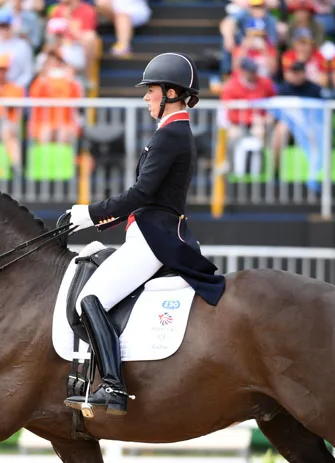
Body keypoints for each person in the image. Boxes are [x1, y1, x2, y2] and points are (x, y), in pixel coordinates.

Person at [63, 53, 226, 415]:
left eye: (150, 91)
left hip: (154, 238)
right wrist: (103, 221)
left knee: (89, 299)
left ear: (170, 92)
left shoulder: (171, 134)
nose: (146, 97)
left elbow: (141, 195)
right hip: (149, 229)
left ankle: (113, 386)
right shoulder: (171, 132)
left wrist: (89, 212)